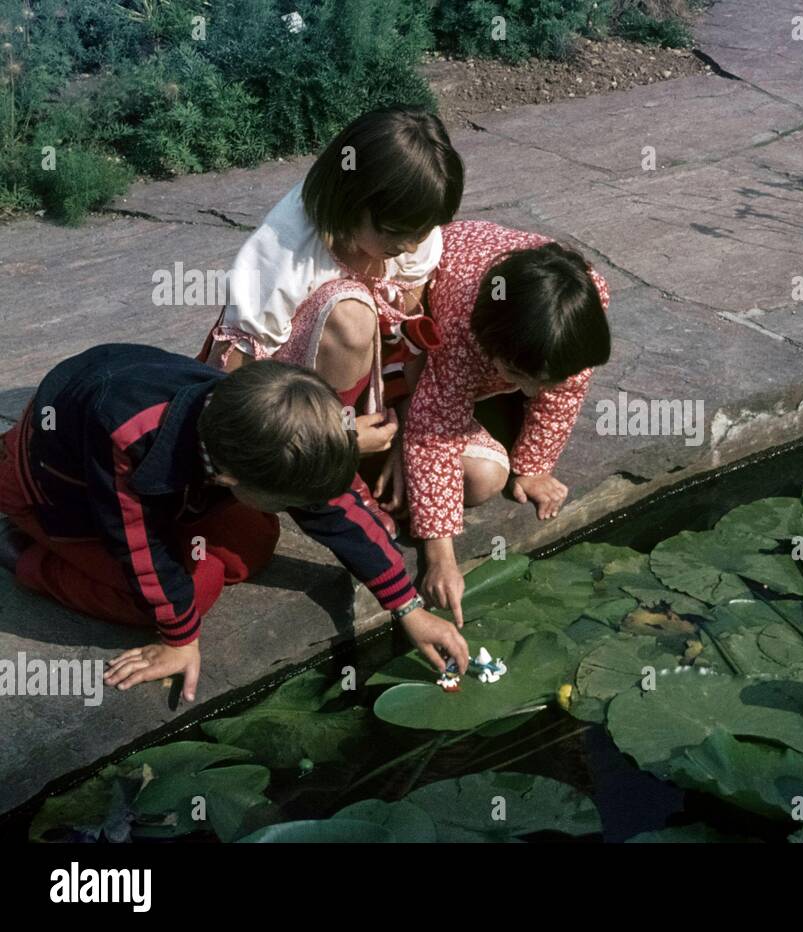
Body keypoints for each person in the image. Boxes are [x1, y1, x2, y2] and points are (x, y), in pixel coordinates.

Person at [0, 344, 469, 701]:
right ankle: (25, 553)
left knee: (255, 542)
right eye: (286, 503)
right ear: (227, 477)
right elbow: (137, 546)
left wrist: (407, 606)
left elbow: (333, 506)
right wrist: (179, 638)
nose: (296, 514)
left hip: (162, 481)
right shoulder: (124, 435)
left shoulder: (254, 420)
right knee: (190, 591)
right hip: (58, 494)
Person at [200, 106, 464, 531]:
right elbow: (235, 372)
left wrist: (412, 429)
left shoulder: (410, 237)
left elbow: (411, 327)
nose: (410, 245)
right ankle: (333, 462)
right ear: (351, 199)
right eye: (395, 233)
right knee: (351, 315)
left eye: (420, 232)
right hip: (285, 387)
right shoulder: (283, 253)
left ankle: (364, 436)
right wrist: (320, 443)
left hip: (362, 376)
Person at [402, 221, 612, 623]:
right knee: (446, 424)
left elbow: (566, 389)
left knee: (553, 382)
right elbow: (434, 436)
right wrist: (439, 555)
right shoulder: (461, 332)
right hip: (458, 281)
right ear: (490, 347)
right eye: (519, 377)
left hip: (505, 293)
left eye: (541, 382)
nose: (533, 393)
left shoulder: (583, 299)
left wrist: (534, 467)